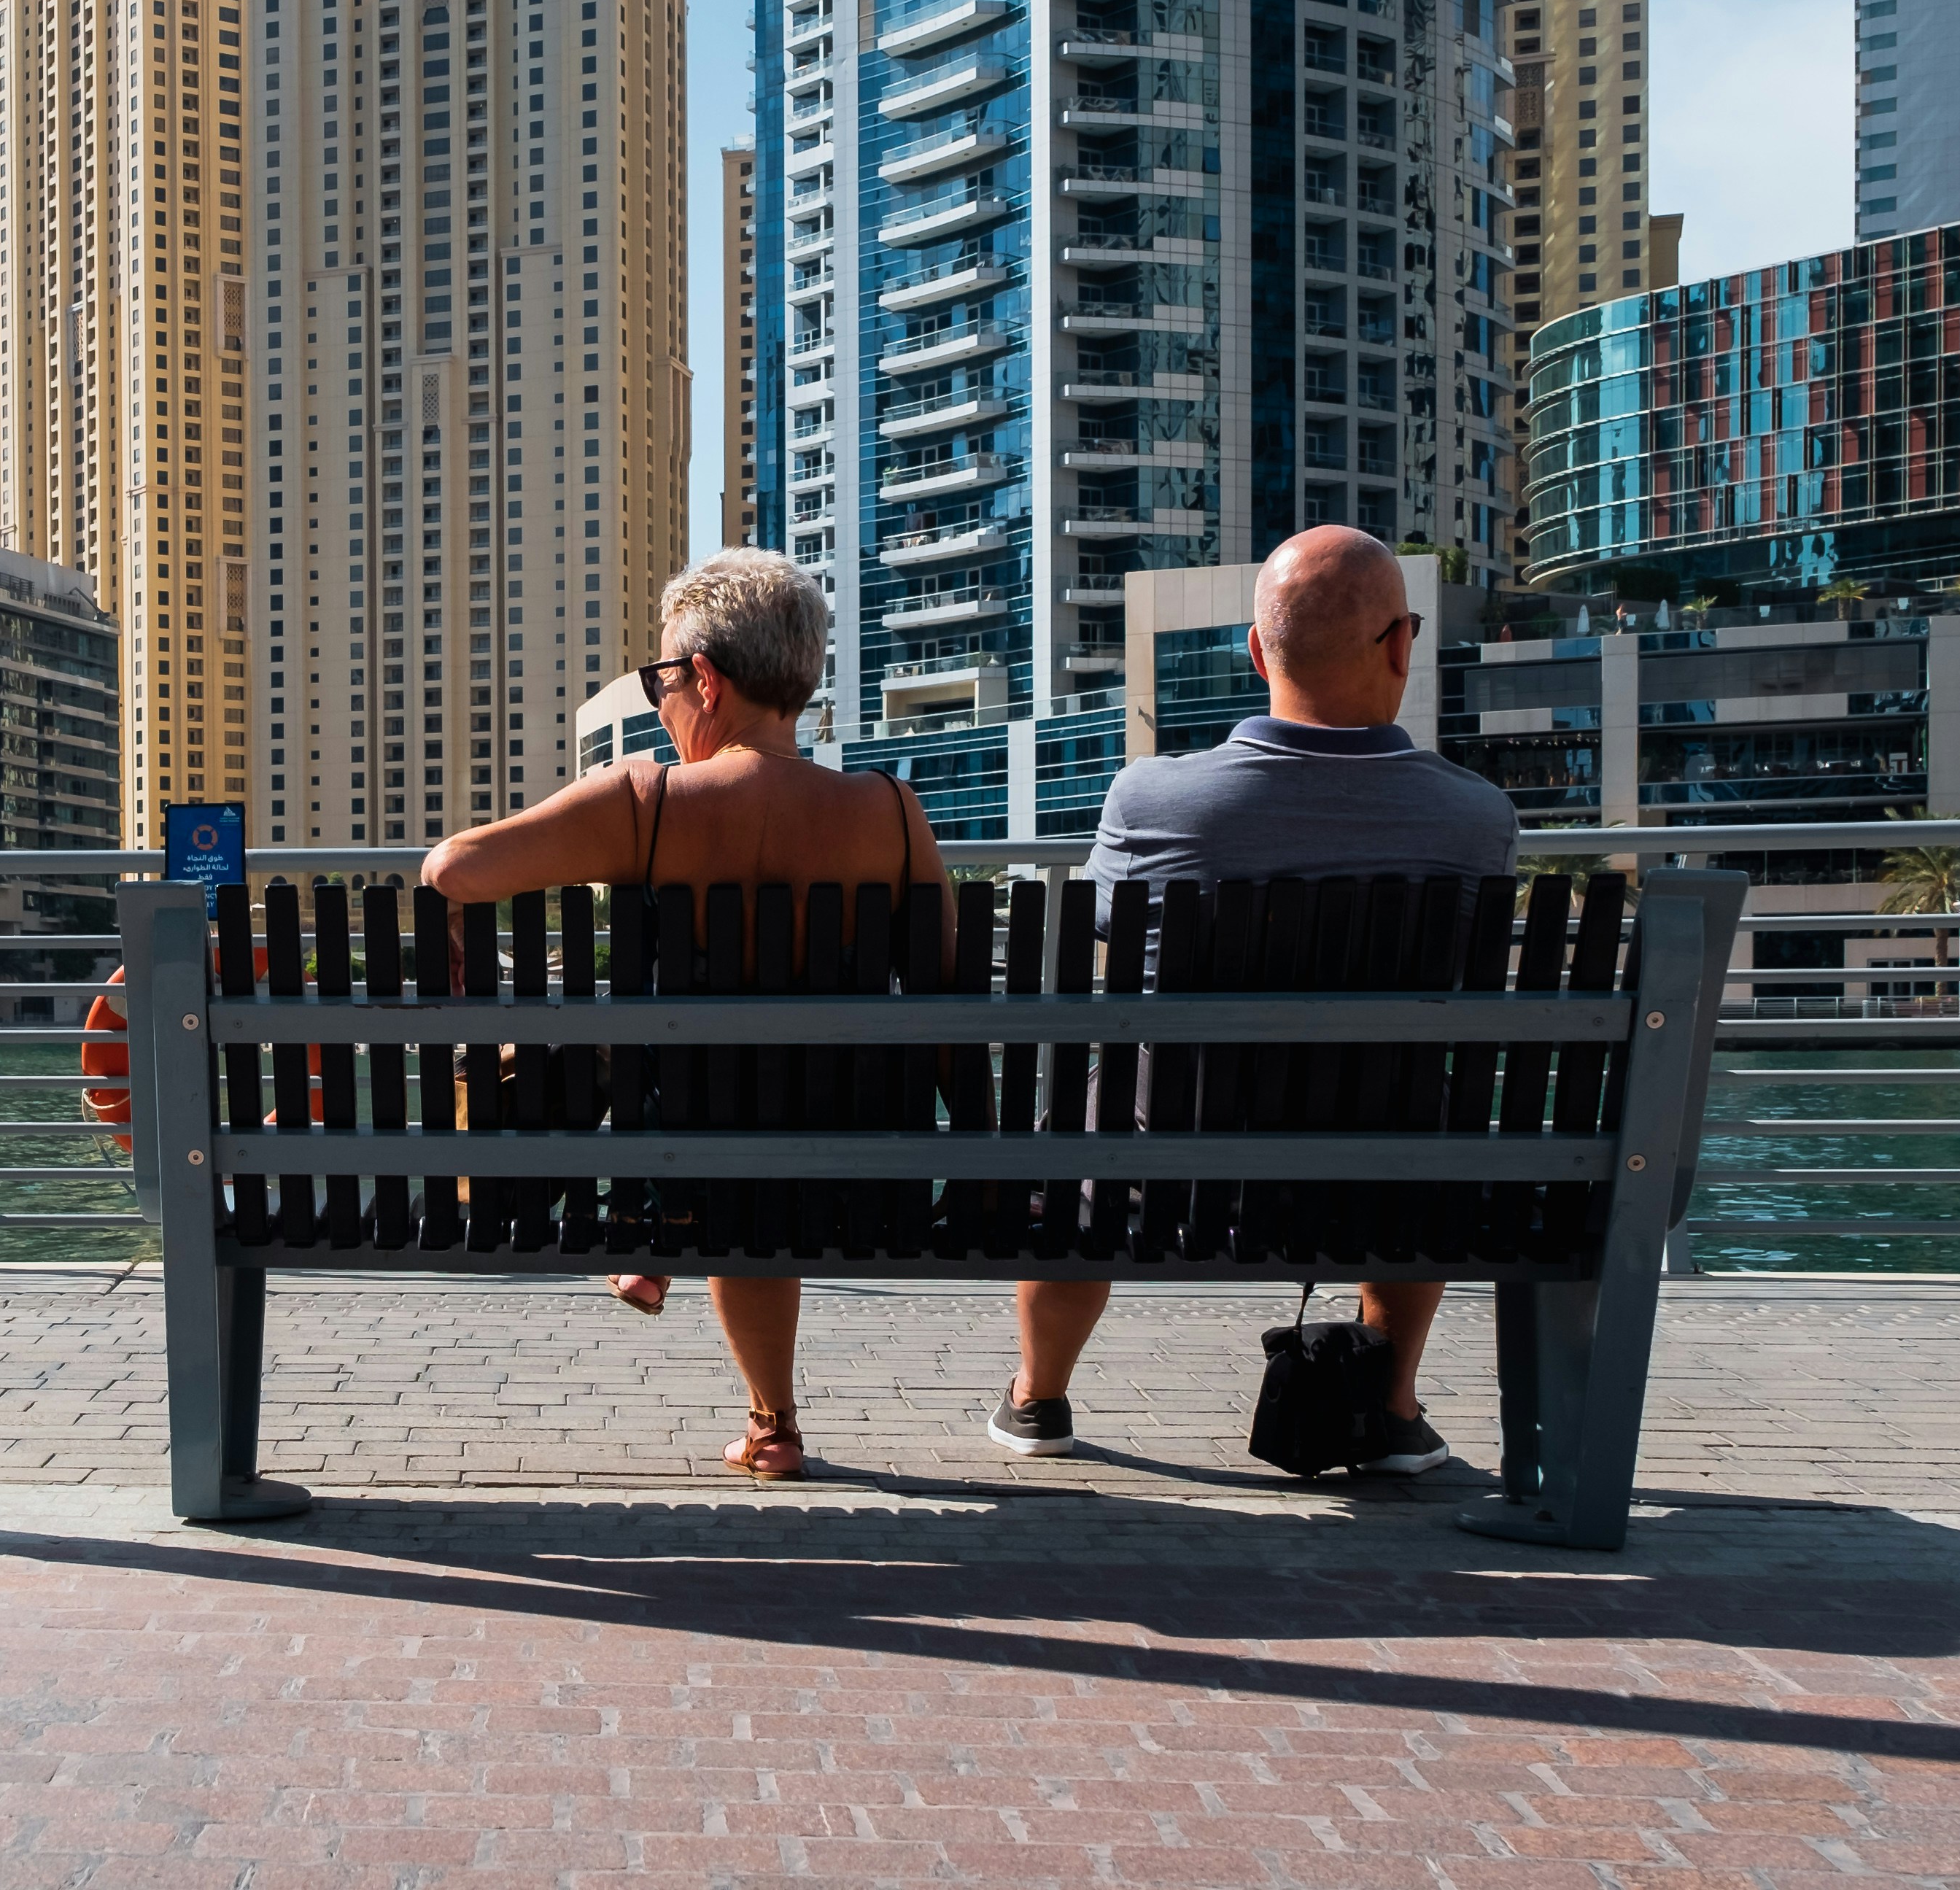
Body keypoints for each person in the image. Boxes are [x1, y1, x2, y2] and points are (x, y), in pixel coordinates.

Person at [987, 524, 1519, 1475]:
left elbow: (1111, 933)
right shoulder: (1475, 817)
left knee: (1081, 1131)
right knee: (1422, 1119)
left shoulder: (1153, 798)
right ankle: (1390, 1407)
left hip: (1162, 1180)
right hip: (1392, 1179)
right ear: (1401, 645)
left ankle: (1039, 1398)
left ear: (1255, 650)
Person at [421, 548, 939, 1482]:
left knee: (680, 1086)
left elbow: (454, 865)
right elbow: (943, 983)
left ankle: (649, 1232)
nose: (660, 699)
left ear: (705, 678)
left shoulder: (647, 801)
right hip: (857, 1176)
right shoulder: (892, 814)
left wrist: (452, 906)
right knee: (753, 1142)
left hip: (686, 1160)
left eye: (662, 677)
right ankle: (769, 1421)